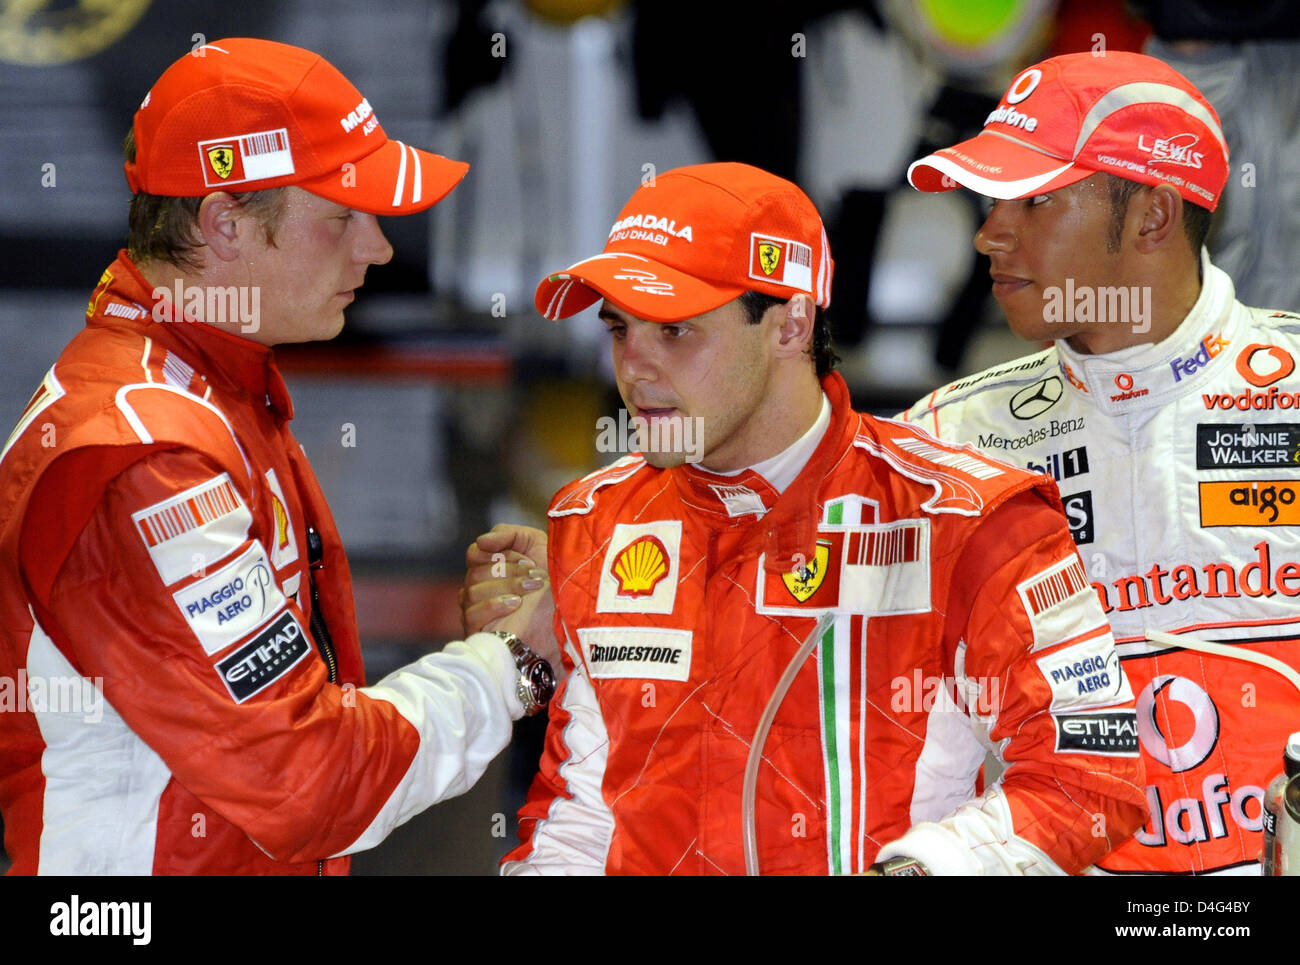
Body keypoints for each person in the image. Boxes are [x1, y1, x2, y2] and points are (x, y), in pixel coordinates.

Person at [463, 161, 1146, 875]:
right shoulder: (594, 520)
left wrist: (924, 869)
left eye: (674, 331)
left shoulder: (971, 520)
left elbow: (1090, 775)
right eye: (619, 330)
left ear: (790, 323)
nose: (633, 368)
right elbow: (583, 815)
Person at [0, 38, 557, 875]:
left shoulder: (210, 392)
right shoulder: (144, 454)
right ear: (224, 221)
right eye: (341, 217)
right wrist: (513, 662)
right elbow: (307, 779)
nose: (377, 249)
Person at [901, 50, 1300, 875]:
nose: (988, 231)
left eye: (1033, 201)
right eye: (991, 200)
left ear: (1153, 216)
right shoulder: (941, 443)